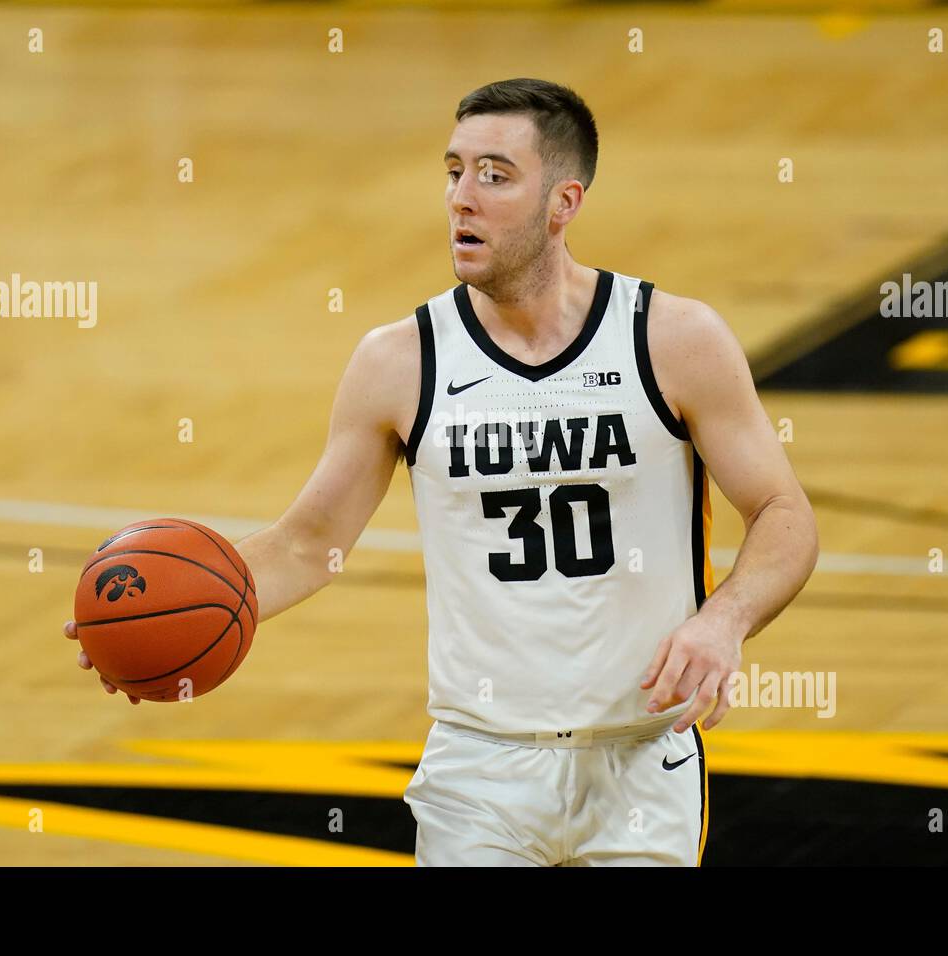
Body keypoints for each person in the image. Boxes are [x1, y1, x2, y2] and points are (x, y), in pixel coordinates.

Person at [65, 77, 818, 866]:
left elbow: (784, 515)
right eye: (454, 170)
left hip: (641, 756)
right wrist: (148, 611)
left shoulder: (673, 340)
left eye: (495, 175)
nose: (462, 197)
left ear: (564, 203)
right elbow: (306, 545)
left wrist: (723, 622)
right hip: (478, 767)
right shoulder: (400, 360)